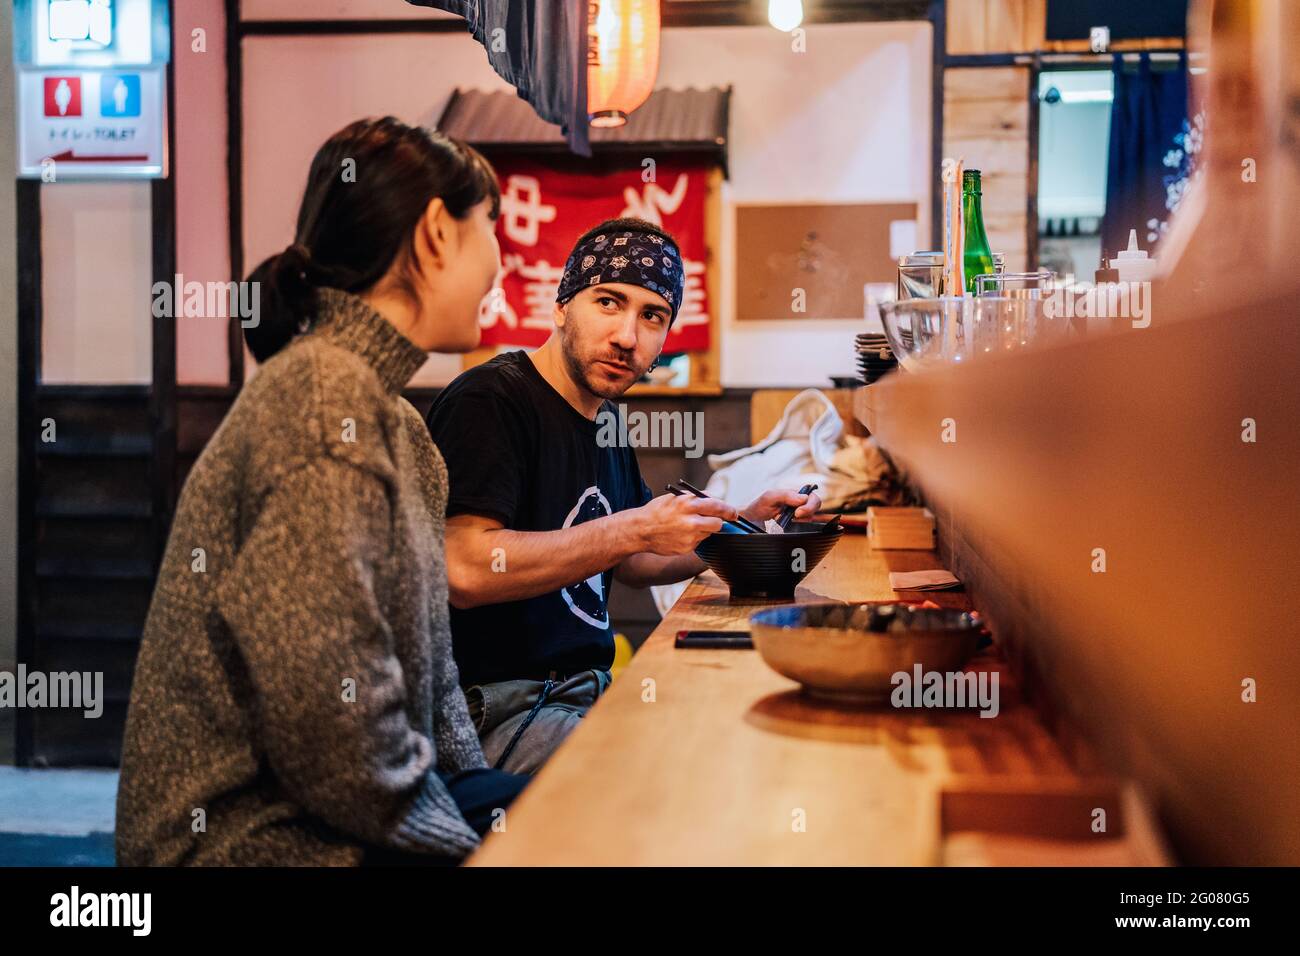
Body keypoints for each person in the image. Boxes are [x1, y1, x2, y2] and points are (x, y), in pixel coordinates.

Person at [116, 117, 526, 866]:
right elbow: (329, 730)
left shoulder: (396, 421)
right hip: (249, 838)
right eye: (491, 229)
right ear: (437, 234)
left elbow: (433, 679)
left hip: (341, 807)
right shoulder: (318, 397)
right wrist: (470, 840)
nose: (502, 264)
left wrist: (483, 789)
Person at [426, 217, 821, 774]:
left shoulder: (606, 421)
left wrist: (748, 522)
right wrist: (632, 528)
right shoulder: (491, 400)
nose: (628, 337)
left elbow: (634, 561)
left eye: (652, 315)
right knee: (681, 774)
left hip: (583, 691)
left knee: (739, 730)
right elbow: (464, 569)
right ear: (561, 306)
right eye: (608, 302)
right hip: (497, 708)